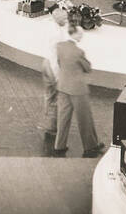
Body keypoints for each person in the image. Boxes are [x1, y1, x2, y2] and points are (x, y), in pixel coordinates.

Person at [54, 14, 106, 158]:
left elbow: (59, 63)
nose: (81, 36)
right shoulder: (78, 52)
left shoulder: (60, 46)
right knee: (85, 118)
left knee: (63, 118)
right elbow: (88, 68)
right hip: (78, 89)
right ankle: (90, 147)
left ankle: (59, 145)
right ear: (75, 34)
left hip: (63, 86)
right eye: (80, 34)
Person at [40, 9, 63, 153]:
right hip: (53, 67)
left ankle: (46, 122)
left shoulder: (50, 27)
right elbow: (58, 57)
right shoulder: (58, 35)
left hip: (45, 63)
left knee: (48, 96)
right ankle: (51, 126)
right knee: (56, 97)